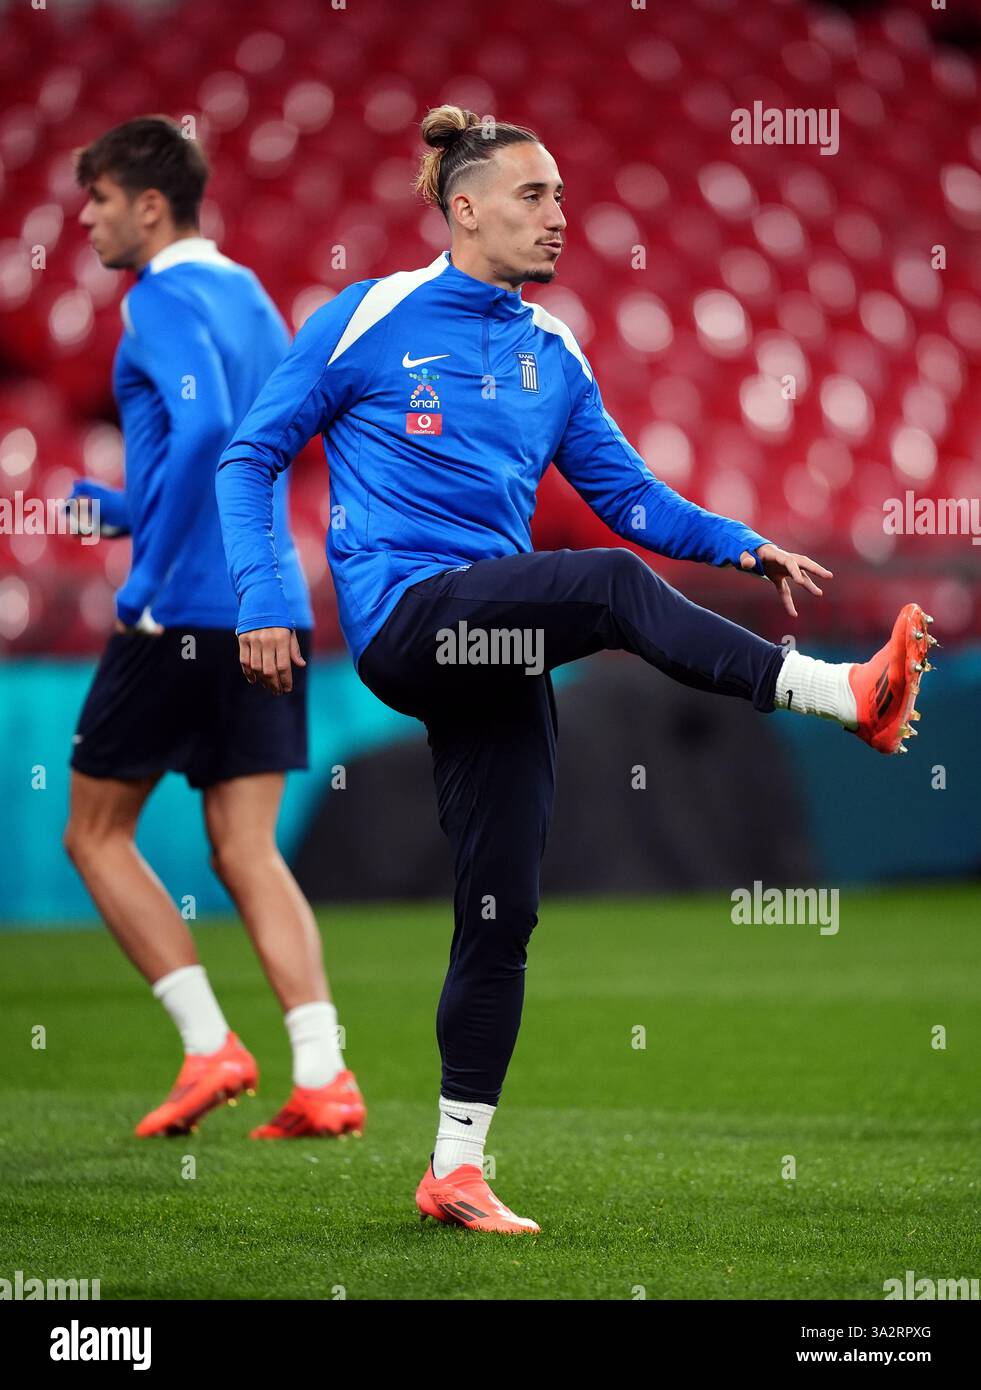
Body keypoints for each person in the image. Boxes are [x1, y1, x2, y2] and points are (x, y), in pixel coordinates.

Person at [215, 105, 934, 1231]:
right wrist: (263, 596)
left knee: (499, 912)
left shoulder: (553, 354)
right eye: (534, 196)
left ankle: (455, 1165)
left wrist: (738, 543)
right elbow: (250, 451)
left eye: (561, 195)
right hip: (414, 626)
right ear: (465, 208)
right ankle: (839, 692)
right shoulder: (368, 317)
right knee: (601, 586)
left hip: (498, 652)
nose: (562, 216)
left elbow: (634, 497)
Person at [65, 116, 365, 1142]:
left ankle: (209, 1045)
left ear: (150, 205)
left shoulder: (155, 300)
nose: (88, 218)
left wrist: (144, 573)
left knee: (94, 832)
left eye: (99, 199)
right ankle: (324, 1074)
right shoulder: (251, 298)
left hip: (180, 610)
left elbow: (198, 431)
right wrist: (119, 507)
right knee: (246, 848)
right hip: (264, 604)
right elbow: (256, 445)